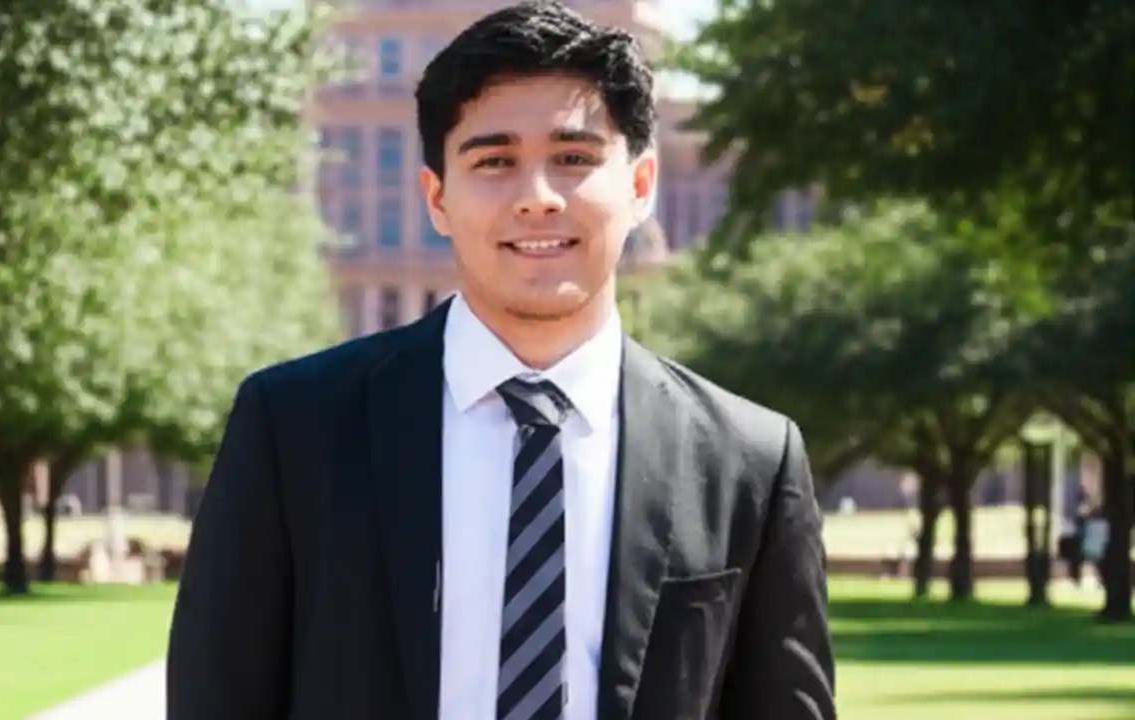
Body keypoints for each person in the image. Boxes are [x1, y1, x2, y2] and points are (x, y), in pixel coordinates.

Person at [166, 2, 836, 718]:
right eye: (495, 161)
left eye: (574, 158)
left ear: (641, 186)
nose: (537, 198)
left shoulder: (751, 461)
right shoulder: (293, 429)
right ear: (438, 198)